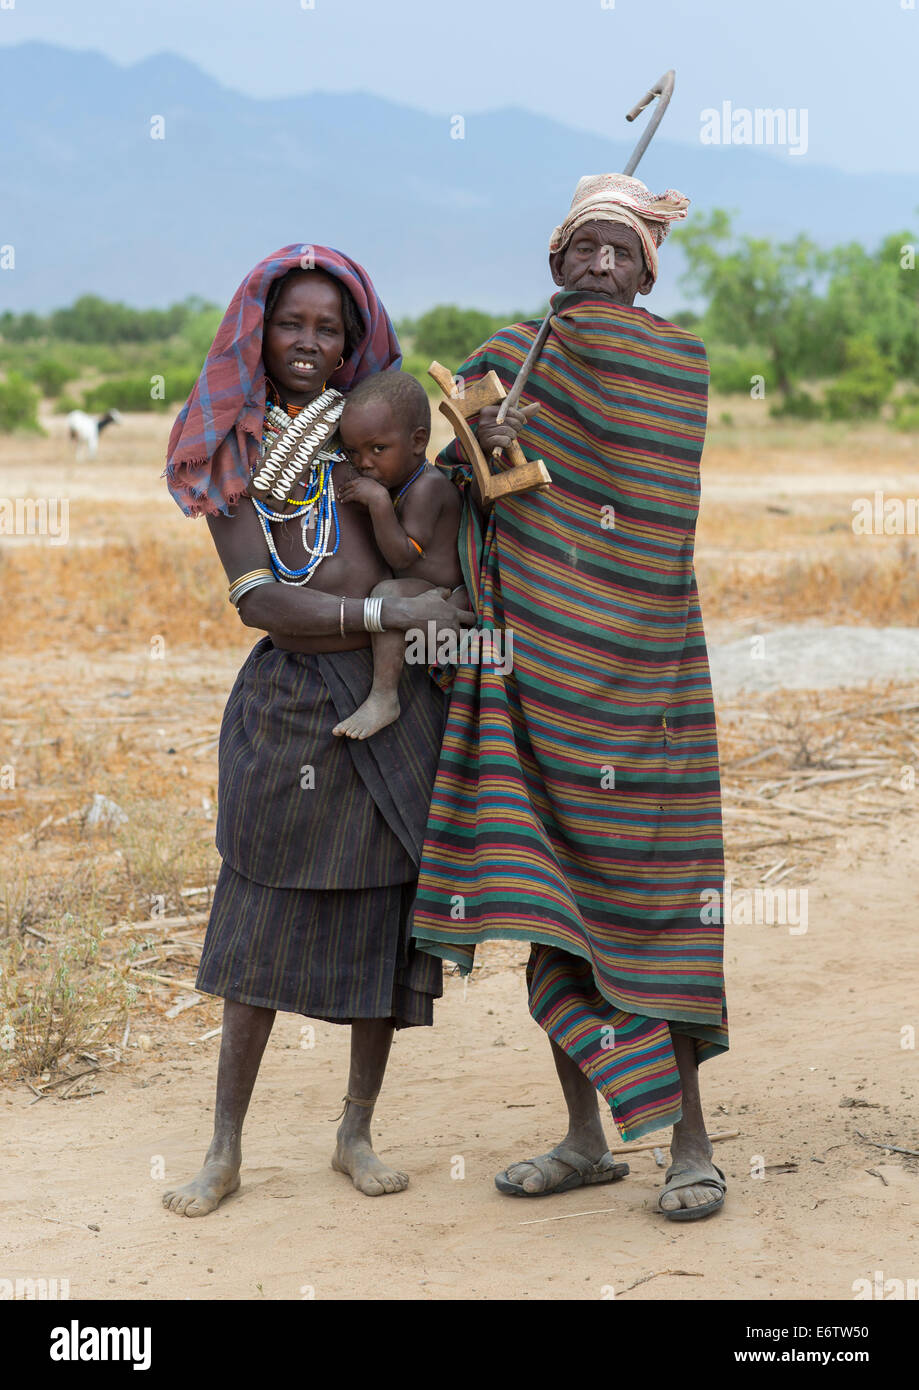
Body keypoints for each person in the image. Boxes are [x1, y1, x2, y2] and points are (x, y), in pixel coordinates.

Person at [410, 175, 729, 1220]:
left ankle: (689, 1145)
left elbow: (651, 504)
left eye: (620, 250)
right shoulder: (506, 356)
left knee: (656, 909)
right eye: (582, 249)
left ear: (649, 269)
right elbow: (451, 484)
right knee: (550, 907)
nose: (599, 263)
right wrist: (481, 441)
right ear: (555, 265)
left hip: (647, 677)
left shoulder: (677, 366)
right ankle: (583, 1138)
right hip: (532, 675)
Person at [160, 244, 472, 1215]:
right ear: (260, 328)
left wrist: (480, 442)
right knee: (255, 928)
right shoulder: (230, 445)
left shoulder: (375, 433)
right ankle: (224, 1150)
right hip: (291, 704)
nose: (307, 341)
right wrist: (385, 616)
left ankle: (356, 1129)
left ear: (350, 341)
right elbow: (262, 603)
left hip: (392, 710)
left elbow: (443, 503)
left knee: (384, 915)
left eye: (327, 327)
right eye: (291, 322)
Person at [332, 370, 465, 740]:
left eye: (377, 449)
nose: (364, 463)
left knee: (386, 597)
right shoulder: (402, 481)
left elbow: (404, 556)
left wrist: (377, 503)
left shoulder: (428, 487)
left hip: (444, 596)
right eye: (353, 453)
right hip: (423, 587)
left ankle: (383, 697)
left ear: (418, 441)